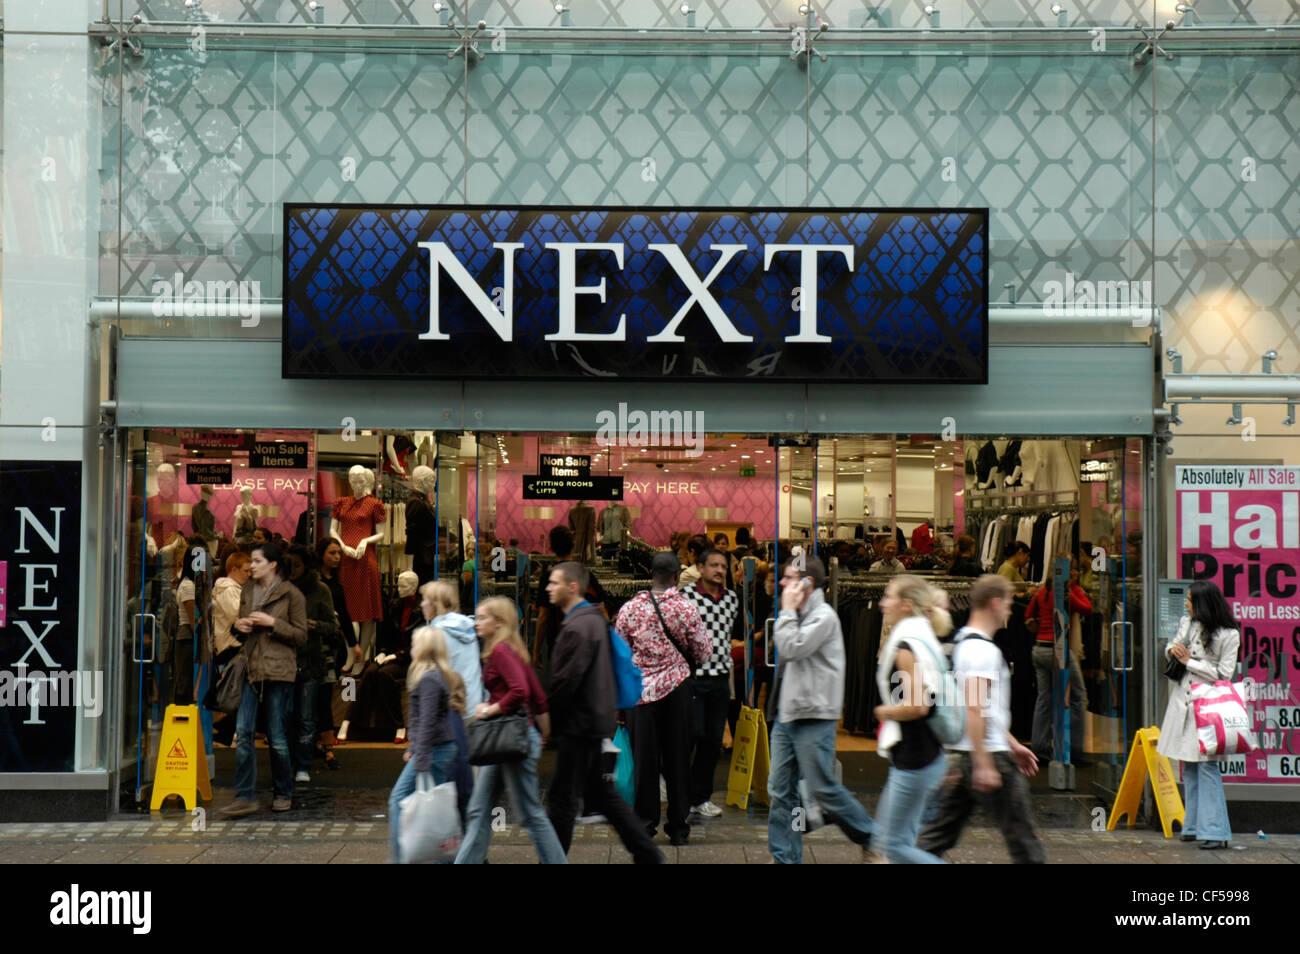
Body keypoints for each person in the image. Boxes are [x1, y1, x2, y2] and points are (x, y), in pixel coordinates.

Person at [917, 574, 1046, 863]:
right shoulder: (982, 650)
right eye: (1010, 604)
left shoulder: (963, 641)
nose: (1011, 612)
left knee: (938, 835)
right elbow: (975, 708)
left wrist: (1011, 743)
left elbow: (979, 707)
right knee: (1024, 841)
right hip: (987, 754)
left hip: (971, 752)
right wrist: (985, 763)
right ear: (996, 603)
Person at [544, 562, 664, 863]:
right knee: (600, 795)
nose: (548, 588)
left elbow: (566, 683)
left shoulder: (576, 627)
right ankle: (647, 853)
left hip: (578, 725)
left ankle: (553, 859)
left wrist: (546, 722)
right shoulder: (595, 620)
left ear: (573, 587)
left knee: (562, 801)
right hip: (595, 721)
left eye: (555, 582)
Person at [766, 556, 879, 863]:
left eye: (789, 578)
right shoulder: (801, 614)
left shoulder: (824, 616)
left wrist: (786, 611)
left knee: (823, 788)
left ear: (807, 584)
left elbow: (790, 647)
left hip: (814, 717)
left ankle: (872, 837)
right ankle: (786, 858)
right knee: (781, 794)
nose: (782, 583)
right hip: (788, 716)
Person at [454, 597, 566, 864]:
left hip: (509, 740)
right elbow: (537, 696)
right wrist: (542, 732)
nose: (476, 622)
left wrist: (489, 709)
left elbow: (520, 691)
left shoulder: (502, 651)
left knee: (529, 814)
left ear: (499, 622)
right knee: (480, 810)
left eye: (482, 617)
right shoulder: (513, 649)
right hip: (509, 739)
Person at [616, 551, 710, 845]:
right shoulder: (685, 608)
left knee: (645, 761)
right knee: (678, 759)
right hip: (677, 690)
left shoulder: (630, 608)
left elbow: (620, 654)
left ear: (651, 574)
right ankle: (679, 828)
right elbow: (703, 653)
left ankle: (645, 826)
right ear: (675, 576)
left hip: (640, 695)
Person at [220, 542, 308, 817]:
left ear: (273, 565)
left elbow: (301, 635)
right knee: (244, 733)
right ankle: (245, 795)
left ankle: (283, 792)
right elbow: (243, 625)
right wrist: (239, 625)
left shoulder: (292, 595)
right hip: (249, 666)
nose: (251, 566)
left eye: (257, 561)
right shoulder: (247, 590)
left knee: (277, 735)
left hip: (278, 670)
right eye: (251, 562)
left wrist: (272, 624)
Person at [1157, 580, 1240, 850]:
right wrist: (1173, 650)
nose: (1186, 603)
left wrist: (1189, 661)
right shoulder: (1188, 623)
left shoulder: (1229, 633)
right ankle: (1192, 825)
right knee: (1190, 766)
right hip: (1184, 702)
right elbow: (1172, 644)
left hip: (1209, 706)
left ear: (1203, 603)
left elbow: (1225, 674)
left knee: (1206, 766)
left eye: (1190, 600)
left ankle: (1215, 831)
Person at [872, 575, 950, 863]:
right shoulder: (923, 636)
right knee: (895, 841)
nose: (882, 603)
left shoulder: (907, 646)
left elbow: (918, 706)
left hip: (915, 758)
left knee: (892, 846)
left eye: (888, 596)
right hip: (923, 754)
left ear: (906, 604)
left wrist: (885, 712)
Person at [388, 626, 467, 863]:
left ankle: (402, 858)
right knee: (438, 806)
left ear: (424, 648)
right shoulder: (433, 675)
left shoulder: (430, 678)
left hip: (436, 749)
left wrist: (419, 755)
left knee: (398, 799)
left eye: (414, 644)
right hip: (439, 748)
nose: (411, 648)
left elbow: (428, 721)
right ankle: (444, 855)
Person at [681, 547, 745, 818]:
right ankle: (679, 793)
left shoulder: (733, 598)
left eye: (724, 566)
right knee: (689, 736)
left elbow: (733, 635)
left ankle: (700, 798)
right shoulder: (685, 596)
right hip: (692, 679)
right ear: (701, 568)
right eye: (714, 565)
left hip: (720, 680)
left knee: (712, 741)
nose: (720, 570)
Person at [1025, 556, 1092, 763]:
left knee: (1044, 699)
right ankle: (1076, 749)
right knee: (1078, 696)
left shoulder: (1042, 592)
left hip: (1039, 649)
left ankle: (1039, 748)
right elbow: (1087, 608)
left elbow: (1028, 614)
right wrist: (1076, 588)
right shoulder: (1064, 592)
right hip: (1058, 650)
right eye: (1073, 570)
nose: (1076, 573)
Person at [285, 545, 339, 784]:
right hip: (284, 660)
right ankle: (288, 761)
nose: (292, 570)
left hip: (309, 659)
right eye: (290, 565)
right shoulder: (281, 588)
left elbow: (332, 625)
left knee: (307, 715)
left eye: (297, 565)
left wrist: (313, 625)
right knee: (286, 714)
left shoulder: (319, 590)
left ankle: (303, 764)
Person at [421, 580, 486, 710]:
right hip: (475, 704)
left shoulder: (436, 633)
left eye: (425, 600)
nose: (422, 604)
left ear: (435, 604)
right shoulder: (467, 626)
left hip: (455, 709)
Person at [210, 551, 251, 746]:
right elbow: (237, 615)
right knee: (233, 692)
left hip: (230, 645)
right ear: (233, 569)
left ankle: (225, 731)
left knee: (235, 692)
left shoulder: (232, 588)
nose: (249, 574)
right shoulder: (228, 589)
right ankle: (223, 729)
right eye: (245, 571)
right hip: (230, 646)